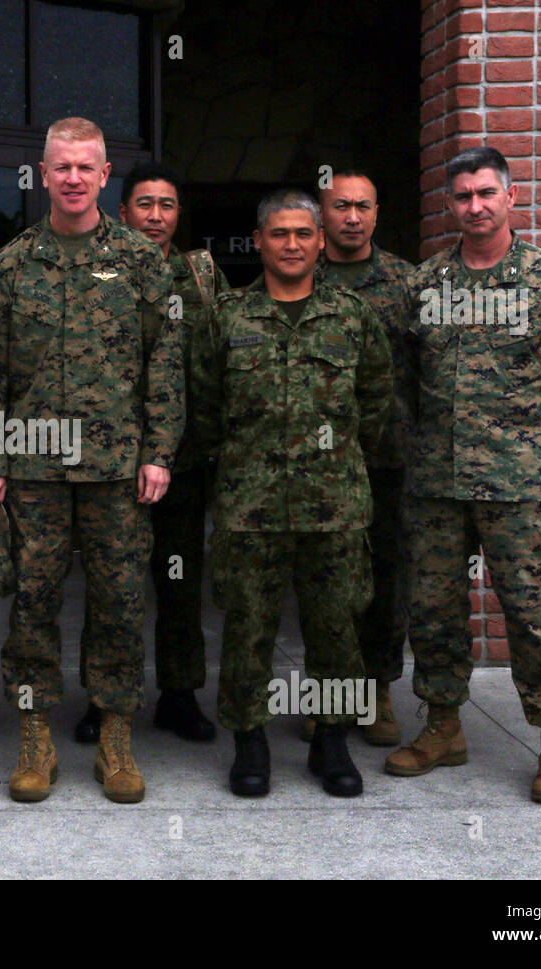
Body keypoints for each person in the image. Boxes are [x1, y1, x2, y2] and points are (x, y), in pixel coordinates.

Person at [0, 117, 183, 804]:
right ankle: (35, 736)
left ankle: (116, 734)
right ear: (42, 172)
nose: (71, 178)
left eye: (84, 167)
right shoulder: (9, 264)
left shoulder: (143, 261)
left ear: (103, 175)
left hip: (118, 470)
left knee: (120, 602)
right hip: (33, 471)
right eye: (60, 166)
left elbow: (165, 365)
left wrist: (159, 452)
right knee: (31, 604)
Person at [387, 146, 541, 804]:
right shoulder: (424, 286)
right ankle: (444, 726)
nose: (475, 206)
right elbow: (402, 378)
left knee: (535, 614)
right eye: (462, 196)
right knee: (433, 611)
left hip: (522, 484)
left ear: (511, 198)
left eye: (487, 193)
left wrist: (533, 436)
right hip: (437, 482)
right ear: (448, 204)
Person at [207, 188, 392, 798]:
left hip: (334, 505)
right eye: (279, 234)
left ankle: (332, 741)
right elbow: (205, 408)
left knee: (337, 628)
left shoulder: (353, 316)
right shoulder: (228, 317)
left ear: (320, 243)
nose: (291, 245)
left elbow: (375, 402)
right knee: (248, 627)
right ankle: (249, 740)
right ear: (258, 241)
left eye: (303, 234)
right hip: (249, 506)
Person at [69, 161, 225, 745]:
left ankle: (179, 696)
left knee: (179, 584)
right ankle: (103, 698)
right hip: (111, 459)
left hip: (181, 459)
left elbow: (217, 360)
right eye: (144, 204)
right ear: (123, 208)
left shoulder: (200, 275)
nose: (156, 216)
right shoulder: (101, 269)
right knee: (111, 587)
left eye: (167, 205)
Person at [307, 169, 415, 746]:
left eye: (363, 206)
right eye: (341, 205)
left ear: (377, 213)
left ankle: (376, 688)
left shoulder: (406, 283)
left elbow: (427, 372)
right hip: (315, 461)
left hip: (386, 459)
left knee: (385, 577)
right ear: (321, 213)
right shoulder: (297, 272)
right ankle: (328, 692)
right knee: (322, 577)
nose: (352, 217)